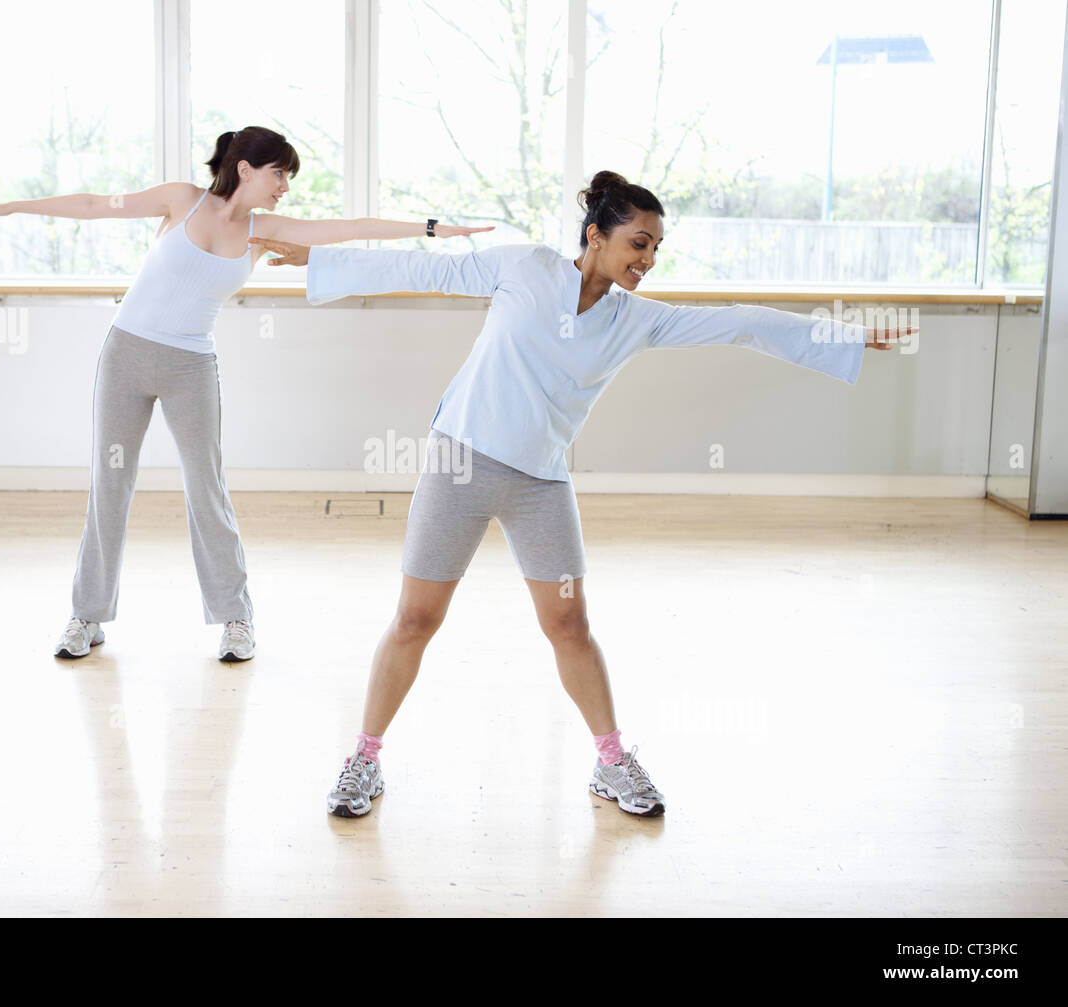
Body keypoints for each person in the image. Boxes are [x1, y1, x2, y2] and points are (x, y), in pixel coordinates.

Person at [249, 169, 911, 818]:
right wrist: (317, 258)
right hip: (460, 463)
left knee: (569, 623)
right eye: (639, 243)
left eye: (656, 247)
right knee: (416, 620)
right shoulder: (525, 268)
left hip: (540, 479)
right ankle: (365, 756)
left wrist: (843, 333)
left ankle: (611, 759)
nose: (648, 259)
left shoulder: (635, 320)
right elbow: (428, 271)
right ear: (595, 234)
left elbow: (741, 323)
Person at [0, 126, 491, 663]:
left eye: (288, 177)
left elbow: (351, 226)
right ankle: (87, 616)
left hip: (191, 366)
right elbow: (96, 204)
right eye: (279, 173)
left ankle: (236, 619)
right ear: (245, 169)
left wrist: (431, 227)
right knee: (110, 483)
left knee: (206, 488)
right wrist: (13, 208)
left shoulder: (263, 229)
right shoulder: (180, 200)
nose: (285, 186)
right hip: (126, 355)